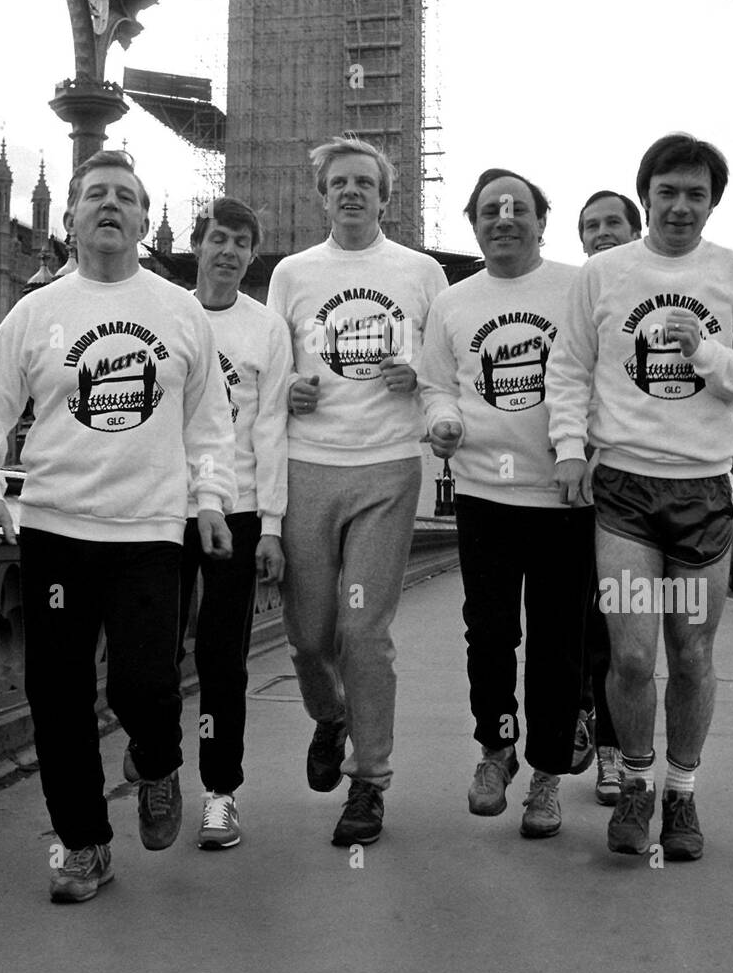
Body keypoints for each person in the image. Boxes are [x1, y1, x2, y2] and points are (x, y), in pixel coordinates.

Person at [0, 150, 237, 902]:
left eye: (125, 197)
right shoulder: (36, 313)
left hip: (147, 532)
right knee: (60, 696)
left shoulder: (179, 313)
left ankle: (157, 759)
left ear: (144, 222)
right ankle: (83, 845)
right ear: (70, 217)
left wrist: (211, 501)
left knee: (146, 683)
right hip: (54, 530)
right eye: (95, 195)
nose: (110, 206)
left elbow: (210, 427)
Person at [547, 134, 733, 859]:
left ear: (713, 202)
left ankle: (682, 795)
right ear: (645, 194)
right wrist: (568, 451)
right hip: (624, 493)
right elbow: (569, 369)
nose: (681, 206)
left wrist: (704, 353)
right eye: (668, 192)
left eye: (696, 194)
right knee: (632, 654)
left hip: (704, 492)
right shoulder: (605, 274)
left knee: (692, 649)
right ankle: (638, 782)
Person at [267, 136, 446, 847]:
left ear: (384, 197)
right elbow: (265, 370)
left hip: (387, 465)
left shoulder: (422, 272)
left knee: (362, 631)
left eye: (363, 184)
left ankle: (370, 783)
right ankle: (329, 716)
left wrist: (422, 382)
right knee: (311, 637)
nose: (350, 193)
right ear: (322, 197)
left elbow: (448, 365)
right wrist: (289, 388)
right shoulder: (291, 274)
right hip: (306, 465)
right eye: (338, 183)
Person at [418, 169, 596, 839]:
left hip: (562, 493)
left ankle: (548, 775)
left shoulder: (577, 287)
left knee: (557, 642)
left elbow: (596, 376)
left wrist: (585, 452)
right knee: (489, 634)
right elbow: (436, 384)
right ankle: (497, 747)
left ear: (540, 222)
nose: (503, 218)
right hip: (484, 492)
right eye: (490, 209)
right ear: (475, 225)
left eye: (518, 208)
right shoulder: (453, 303)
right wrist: (440, 419)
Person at [171, 197, 291, 850]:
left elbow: (271, 424)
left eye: (241, 242)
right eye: (218, 238)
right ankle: (155, 744)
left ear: (251, 254)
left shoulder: (266, 327)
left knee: (223, 659)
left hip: (239, 508)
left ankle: (221, 795)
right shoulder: (166, 312)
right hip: (162, 505)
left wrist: (271, 522)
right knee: (154, 648)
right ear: (198, 244)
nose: (228, 251)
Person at [575, 189, 642, 805]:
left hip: (635, 489)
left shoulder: (646, 300)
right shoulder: (579, 298)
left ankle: (616, 755)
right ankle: (580, 714)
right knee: (573, 620)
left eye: (613, 224)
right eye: (591, 227)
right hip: (573, 485)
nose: (602, 234)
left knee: (619, 632)